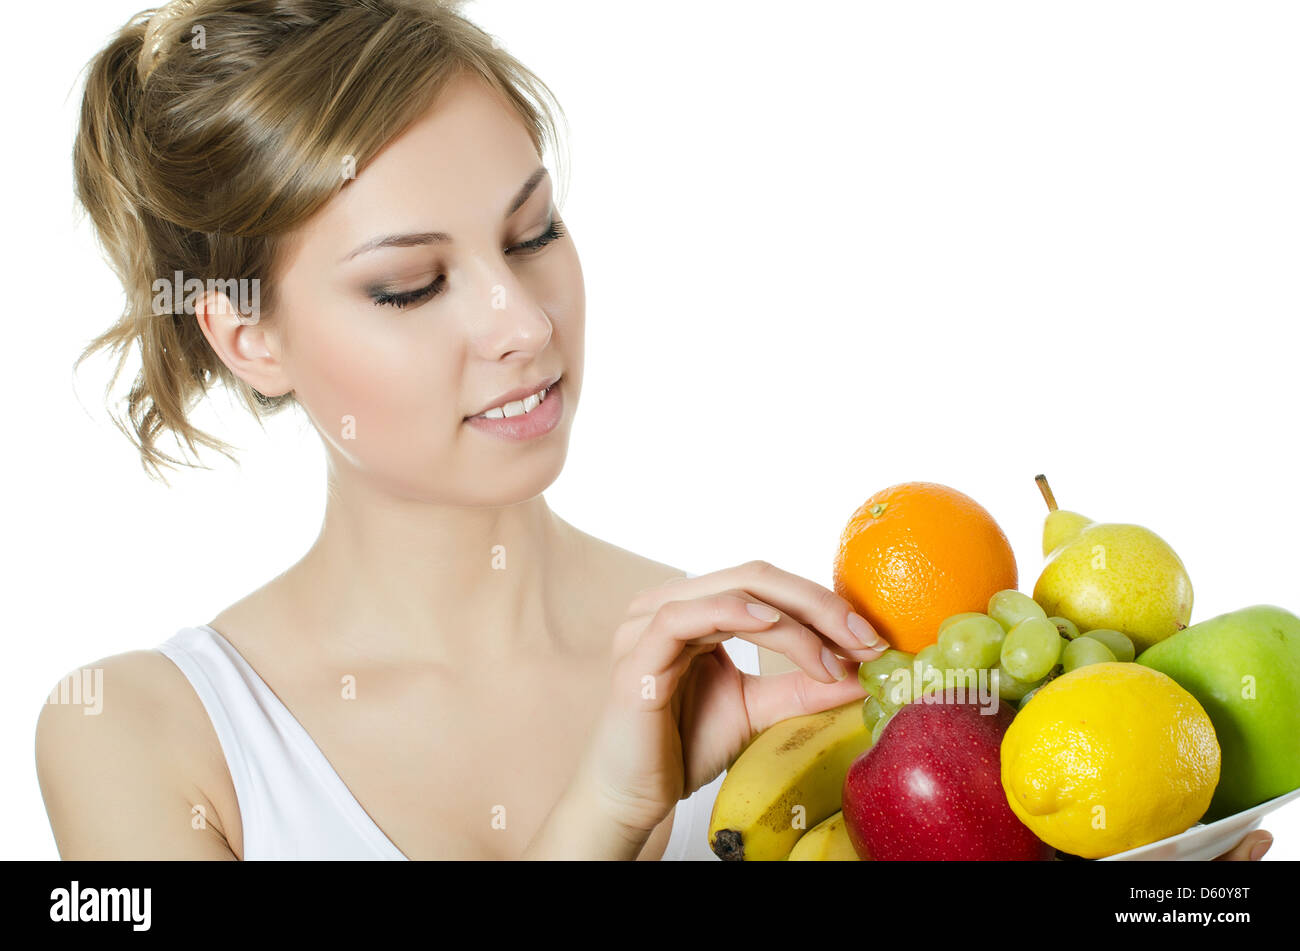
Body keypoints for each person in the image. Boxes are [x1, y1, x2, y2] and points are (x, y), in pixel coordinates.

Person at [37, 0, 1272, 863]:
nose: (522, 320)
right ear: (245, 335)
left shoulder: (762, 677)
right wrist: (603, 820)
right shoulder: (141, 735)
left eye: (532, 233)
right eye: (410, 284)